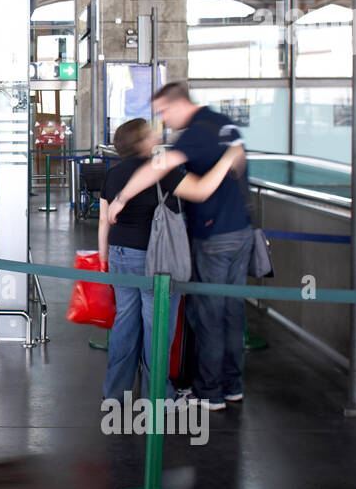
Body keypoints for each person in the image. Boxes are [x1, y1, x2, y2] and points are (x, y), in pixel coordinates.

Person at [104, 82, 253, 411]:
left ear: (176, 104)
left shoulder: (117, 173)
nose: (163, 123)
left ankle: (121, 394)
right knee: (221, 313)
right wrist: (228, 158)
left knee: (140, 320)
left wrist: (121, 201)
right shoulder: (219, 124)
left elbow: (106, 217)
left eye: (163, 112)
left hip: (194, 239)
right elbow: (196, 186)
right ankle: (211, 389)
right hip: (231, 233)